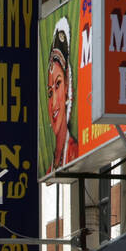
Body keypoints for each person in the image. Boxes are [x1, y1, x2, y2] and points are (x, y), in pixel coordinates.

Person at [45, 16, 80, 173]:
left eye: (58, 84)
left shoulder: (75, 153)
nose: (53, 105)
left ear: (67, 87)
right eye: (50, 92)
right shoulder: (49, 170)